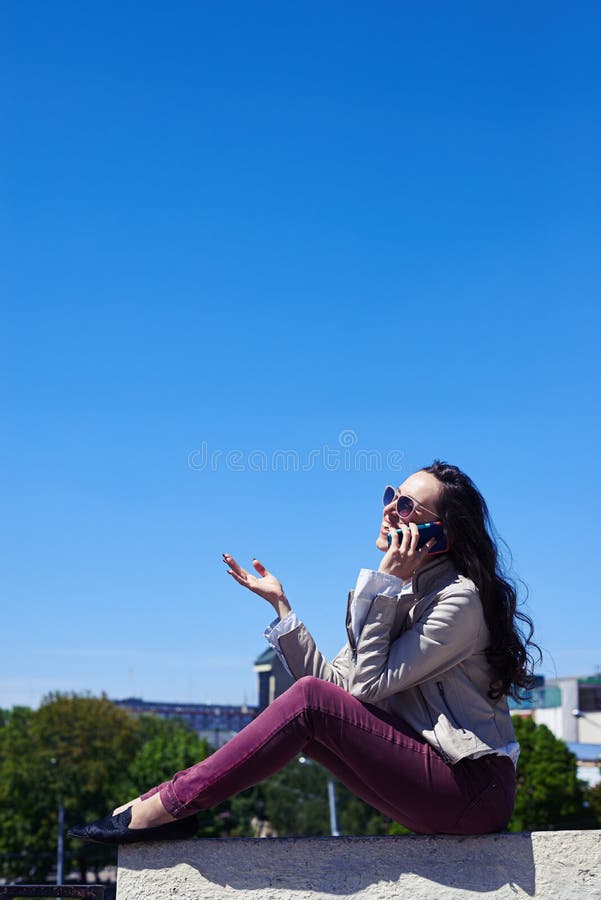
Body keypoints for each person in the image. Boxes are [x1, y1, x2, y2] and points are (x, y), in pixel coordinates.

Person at [69, 460, 539, 844]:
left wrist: (385, 585)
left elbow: (365, 687)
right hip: (437, 783)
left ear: (440, 535)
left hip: (473, 789)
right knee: (312, 722)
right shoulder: (400, 594)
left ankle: (168, 805)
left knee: (312, 707)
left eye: (407, 506)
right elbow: (337, 690)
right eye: (390, 496)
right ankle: (174, 806)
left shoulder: (458, 600)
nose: (390, 509)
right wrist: (283, 608)